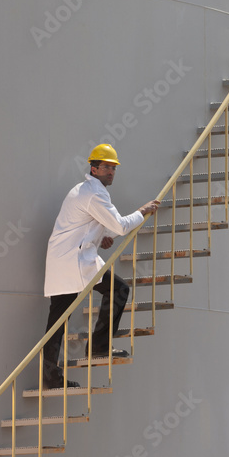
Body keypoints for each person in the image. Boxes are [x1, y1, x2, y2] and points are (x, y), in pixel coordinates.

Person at [42, 143, 161, 389]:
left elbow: (92, 225)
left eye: (113, 168)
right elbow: (119, 225)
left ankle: (51, 377)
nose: (111, 172)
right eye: (106, 167)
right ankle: (98, 347)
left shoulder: (84, 190)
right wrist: (142, 211)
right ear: (93, 169)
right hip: (72, 261)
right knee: (118, 290)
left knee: (58, 322)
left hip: (67, 260)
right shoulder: (94, 193)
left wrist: (101, 237)